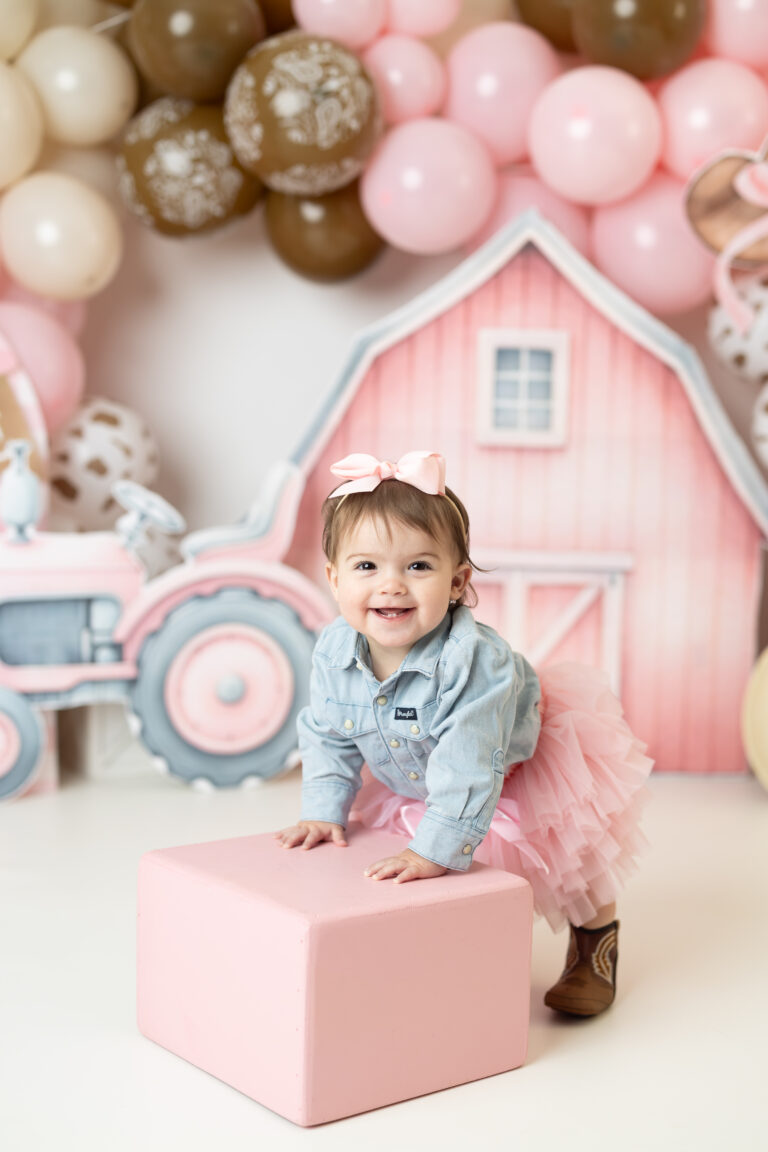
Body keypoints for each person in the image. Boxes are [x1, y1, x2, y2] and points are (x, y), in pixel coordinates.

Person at [275, 451, 652, 1017]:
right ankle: (438, 957)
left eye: (418, 567)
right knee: (397, 853)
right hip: (418, 770)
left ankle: (595, 943)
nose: (392, 586)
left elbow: (469, 762)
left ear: (457, 582)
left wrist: (437, 848)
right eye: (366, 567)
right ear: (333, 579)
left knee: (576, 853)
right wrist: (324, 807)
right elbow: (327, 732)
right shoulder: (334, 650)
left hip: (514, 761)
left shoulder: (474, 664)